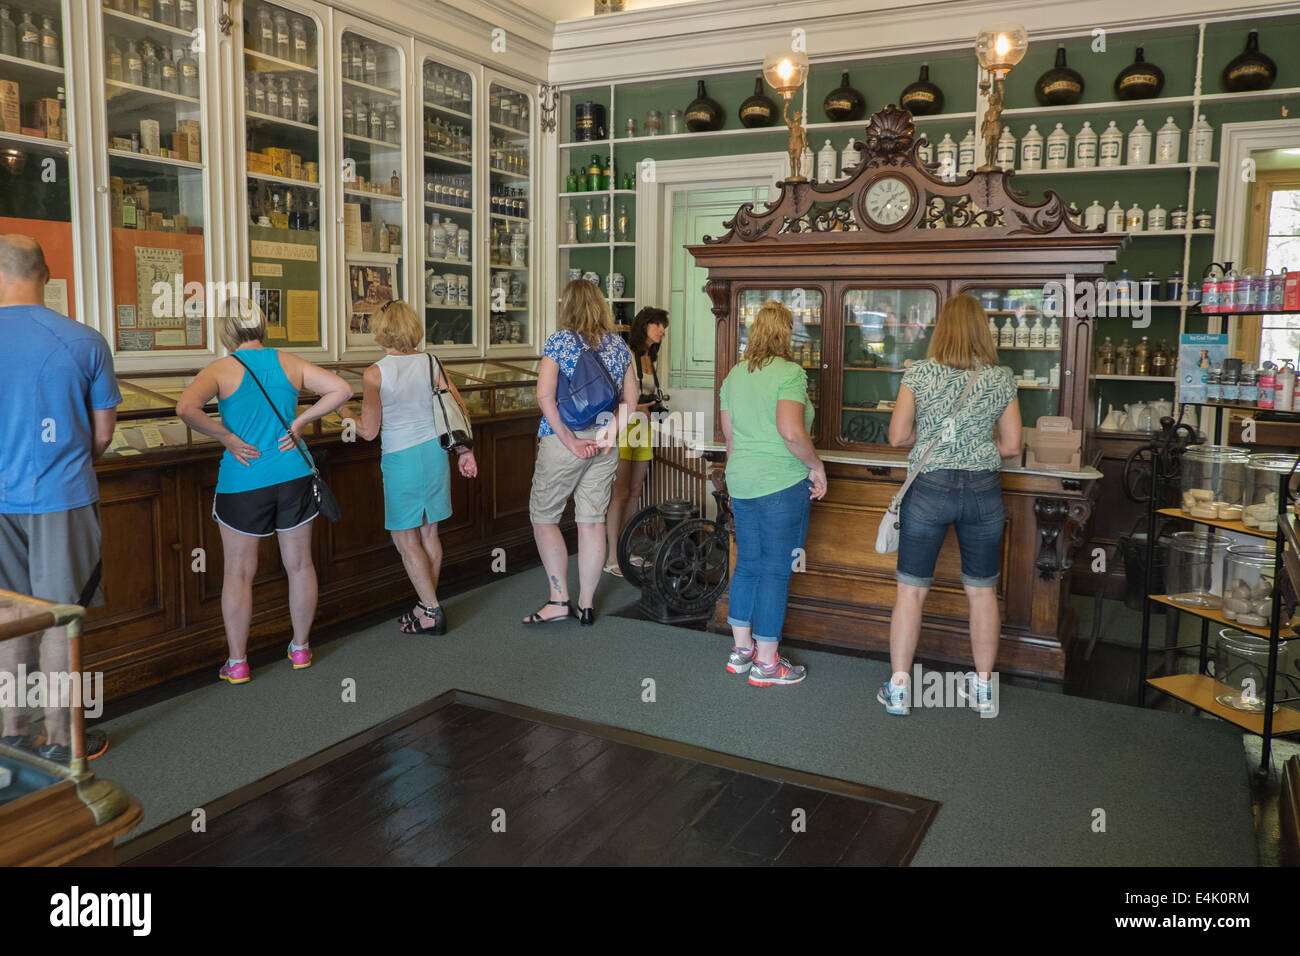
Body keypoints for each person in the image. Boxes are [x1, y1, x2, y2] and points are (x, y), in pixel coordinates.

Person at [176, 300, 351, 684]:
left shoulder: (220, 369)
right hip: (293, 475)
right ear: (262, 326)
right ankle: (301, 647)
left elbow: (186, 408)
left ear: (225, 331)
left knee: (239, 572)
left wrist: (226, 437)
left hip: (244, 479)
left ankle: (237, 663)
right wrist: (300, 421)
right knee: (300, 564)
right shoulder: (289, 361)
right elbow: (341, 388)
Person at [0, 236, 117, 763]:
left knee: (9, 618)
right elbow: (103, 436)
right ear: (46, 274)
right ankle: (62, 739)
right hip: (59, 495)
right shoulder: (84, 341)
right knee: (57, 619)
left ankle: (11, 731)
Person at [880, 294, 1021, 716]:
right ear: (983, 330)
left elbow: (897, 436)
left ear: (942, 329)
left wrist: (934, 441)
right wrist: (976, 446)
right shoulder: (1001, 377)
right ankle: (982, 690)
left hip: (929, 488)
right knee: (982, 593)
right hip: (983, 491)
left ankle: (901, 689)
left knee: (911, 591)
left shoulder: (919, 373)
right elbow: (1013, 445)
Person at [718, 300, 827, 687]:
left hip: (742, 481)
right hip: (781, 483)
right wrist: (816, 466)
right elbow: (791, 432)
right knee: (776, 572)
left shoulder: (734, 375)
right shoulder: (791, 373)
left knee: (747, 563)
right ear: (786, 333)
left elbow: (730, 439)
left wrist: (734, 481)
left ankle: (741, 651)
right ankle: (767, 664)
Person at [354, 301, 478, 635]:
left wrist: (343, 414)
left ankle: (432, 611)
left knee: (404, 537)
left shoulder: (374, 373)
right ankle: (425, 607)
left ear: (381, 330)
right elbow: (457, 407)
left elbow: (368, 430)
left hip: (401, 458)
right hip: (435, 453)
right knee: (429, 533)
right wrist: (465, 451)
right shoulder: (431, 362)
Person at [524, 280, 638, 627]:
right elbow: (630, 401)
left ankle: (560, 600)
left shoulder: (559, 342)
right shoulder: (620, 346)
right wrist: (608, 435)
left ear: (567, 305)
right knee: (591, 522)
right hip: (604, 444)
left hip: (564, 442)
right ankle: (587, 605)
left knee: (544, 518)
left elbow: (544, 396)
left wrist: (571, 440)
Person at [604, 306, 669, 575]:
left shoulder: (650, 357)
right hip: (624, 428)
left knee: (635, 492)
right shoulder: (627, 354)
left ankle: (627, 550)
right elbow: (613, 394)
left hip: (643, 430)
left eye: (663, 326)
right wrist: (639, 409)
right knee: (619, 494)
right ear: (644, 326)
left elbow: (653, 397)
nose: (662, 330)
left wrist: (659, 413)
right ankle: (611, 558)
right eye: (658, 325)